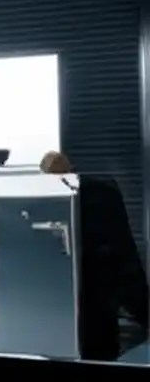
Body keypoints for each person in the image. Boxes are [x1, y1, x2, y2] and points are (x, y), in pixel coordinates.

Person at [39, 151, 148, 359]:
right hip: (98, 303)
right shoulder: (101, 194)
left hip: (66, 314)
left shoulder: (49, 206)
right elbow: (126, 262)